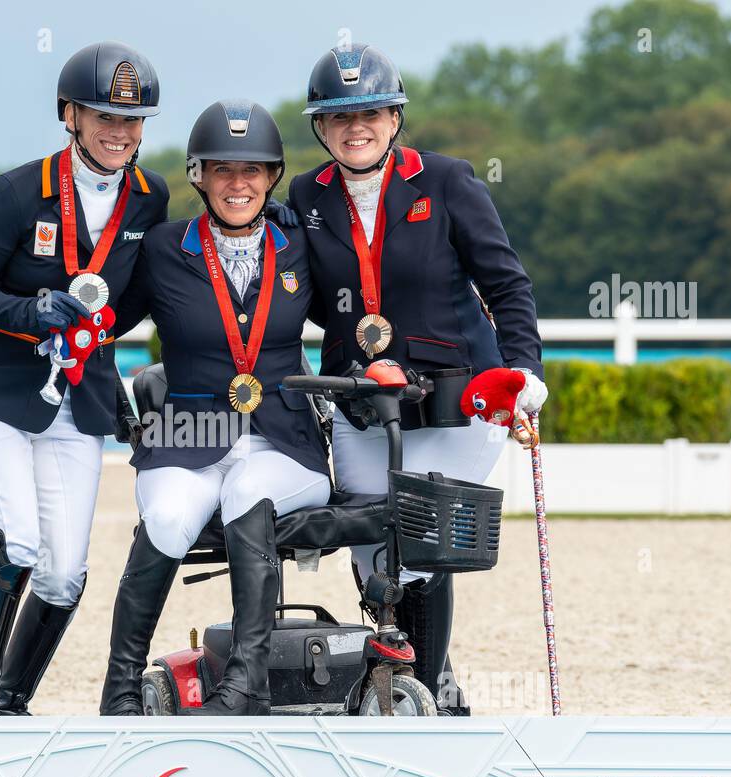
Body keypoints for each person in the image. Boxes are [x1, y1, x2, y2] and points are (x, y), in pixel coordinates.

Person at [288, 43, 547, 715]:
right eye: (339, 117)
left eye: (371, 113)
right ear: (321, 127)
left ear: (395, 118)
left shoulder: (449, 181)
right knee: (372, 550)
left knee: (420, 542)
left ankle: (423, 695)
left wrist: (525, 371)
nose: (356, 127)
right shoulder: (306, 195)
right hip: (362, 396)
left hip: (455, 395)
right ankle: (427, 686)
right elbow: (303, 297)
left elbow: (507, 285)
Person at [0, 41, 169, 715]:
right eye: (103, 116)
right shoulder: (20, 189)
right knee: (17, 541)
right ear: (69, 114)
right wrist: (30, 311)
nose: (118, 132)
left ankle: (13, 701)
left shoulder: (150, 198)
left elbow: (139, 294)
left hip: (81, 398)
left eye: (131, 120)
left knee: (65, 572)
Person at [99, 100, 330, 717]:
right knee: (168, 518)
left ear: (273, 176)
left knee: (247, 491)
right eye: (222, 169)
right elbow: (103, 321)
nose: (237, 183)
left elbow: (360, 304)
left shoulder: (300, 245)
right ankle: (119, 686)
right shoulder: (163, 248)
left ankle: (245, 683)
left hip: (284, 442)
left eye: (252, 170)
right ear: (198, 175)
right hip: (187, 434)